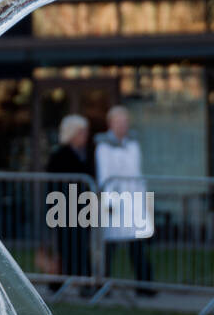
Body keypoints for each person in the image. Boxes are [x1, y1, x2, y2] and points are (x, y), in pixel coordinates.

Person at [94, 106, 155, 295]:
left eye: (125, 122)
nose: (123, 126)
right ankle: (102, 285)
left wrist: (144, 200)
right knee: (109, 246)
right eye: (119, 122)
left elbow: (136, 172)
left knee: (137, 244)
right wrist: (110, 202)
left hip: (134, 200)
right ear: (111, 124)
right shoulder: (103, 147)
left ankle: (144, 286)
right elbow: (106, 175)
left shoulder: (133, 144)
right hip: (116, 201)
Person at [46, 114, 93, 292]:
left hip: (82, 207)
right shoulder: (60, 156)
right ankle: (61, 283)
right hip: (64, 208)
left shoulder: (85, 154)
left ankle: (84, 282)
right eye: (82, 132)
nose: (85, 135)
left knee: (81, 245)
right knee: (66, 247)